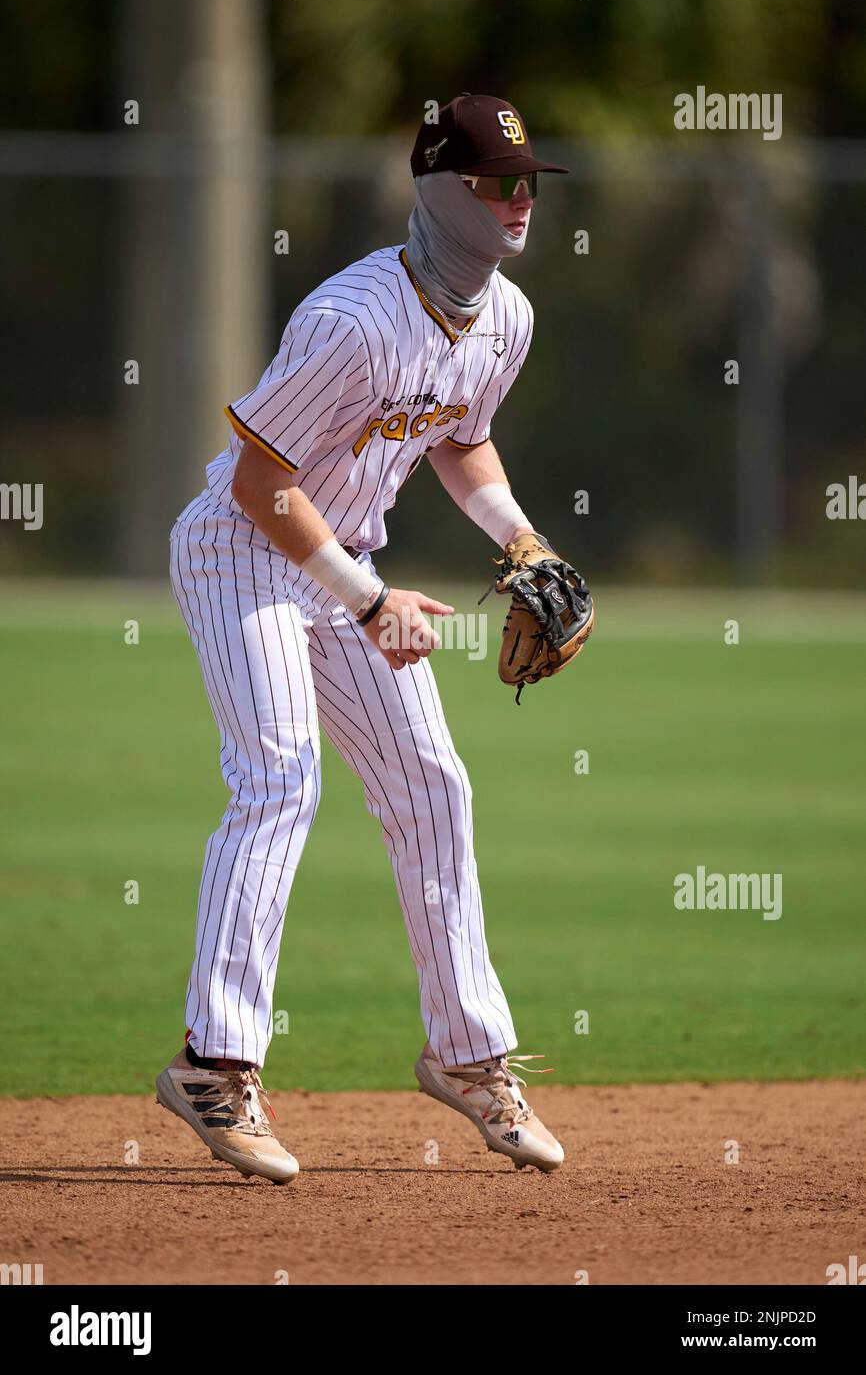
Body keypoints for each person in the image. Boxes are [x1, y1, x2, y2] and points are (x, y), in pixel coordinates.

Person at [156, 94, 569, 1182]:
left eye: (527, 180)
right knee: (280, 781)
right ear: (439, 190)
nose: (518, 200)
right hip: (244, 551)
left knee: (433, 786)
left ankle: (468, 1057)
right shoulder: (351, 319)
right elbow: (256, 483)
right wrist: (367, 596)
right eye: (493, 180)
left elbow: (459, 442)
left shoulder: (505, 320)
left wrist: (521, 540)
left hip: (341, 563)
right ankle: (213, 1066)